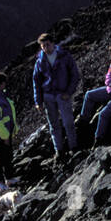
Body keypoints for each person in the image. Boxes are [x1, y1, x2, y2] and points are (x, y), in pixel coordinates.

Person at [32, 32, 80, 164]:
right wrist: (38, 102)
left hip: (62, 94)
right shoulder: (40, 61)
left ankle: (73, 147)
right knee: (54, 125)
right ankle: (59, 150)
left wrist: (69, 92)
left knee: (68, 122)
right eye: (43, 46)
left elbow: (74, 75)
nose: (46, 48)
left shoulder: (64, 56)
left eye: (47, 45)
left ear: (53, 44)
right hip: (48, 96)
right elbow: (36, 82)